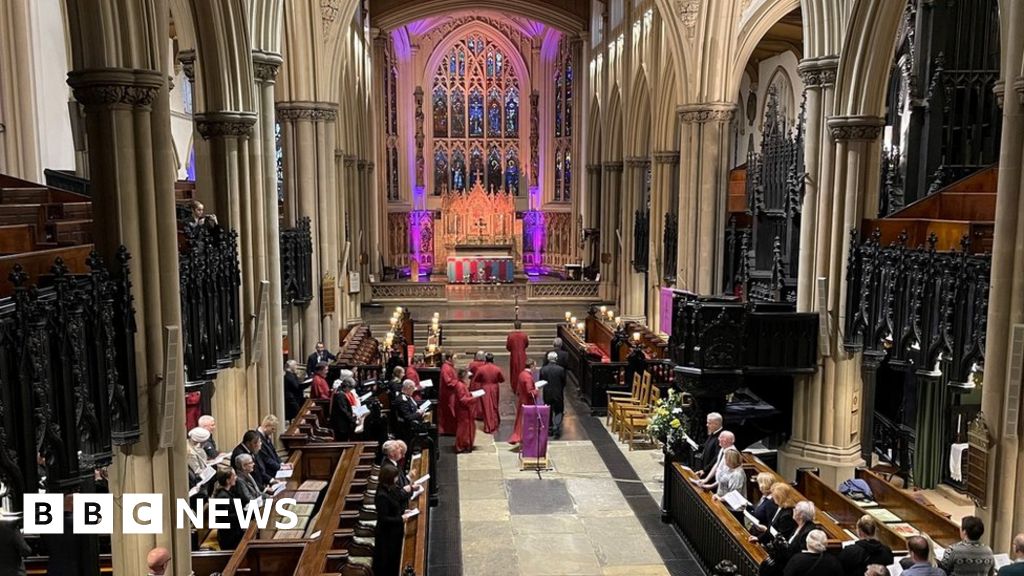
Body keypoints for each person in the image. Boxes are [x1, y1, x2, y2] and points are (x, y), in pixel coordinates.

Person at [373, 464, 414, 576]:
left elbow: (396, 504)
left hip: (395, 530)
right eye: (395, 477)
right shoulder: (382, 495)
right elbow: (384, 518)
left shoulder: (391, 487)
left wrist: (402, 512)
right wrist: (400, 519)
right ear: (389, 478)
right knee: (389, 563)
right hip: (387, 535)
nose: (397, 479)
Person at [471, 353, 504, 434]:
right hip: (494, 388)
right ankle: (495, 424)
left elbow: (476, 379)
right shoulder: (497, 369)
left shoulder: (481, 369)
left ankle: (488, 426)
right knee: (494, 406)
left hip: (485, 387)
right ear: (493, 359)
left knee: (486, 407)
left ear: (486, 359)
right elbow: (502, 379)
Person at [212, 469, 245, 550]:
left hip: (233, 533)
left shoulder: (227, 493)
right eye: (234, 476)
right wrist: (245, 513)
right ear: (227, 480)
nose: (236, 478)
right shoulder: (222, 497)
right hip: (229, 538)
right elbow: (227, 518)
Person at [508, 359, 538, 445]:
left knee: (521, 418)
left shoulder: (522, 374)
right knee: (526, 420)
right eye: (534, 366)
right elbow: (529, 391)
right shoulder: (528, 377)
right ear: (531, 366)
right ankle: (523, 436)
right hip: (527, 401)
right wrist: (536, 390)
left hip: (522, 400)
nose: (535, 368)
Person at [540, 351, 567, 438]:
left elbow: (542, 381)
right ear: (556, 359)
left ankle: (550, 428)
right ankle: (557, 427)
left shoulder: (543, 369)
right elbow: (564, 382)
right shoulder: (561, 369)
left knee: (548, 410)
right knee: (558, 411)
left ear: (548, 359)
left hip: (547, 393)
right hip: (558, 393)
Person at [393, 380, 425, 445]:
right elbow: (407, 417)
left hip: (412, 425)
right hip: (407, 430)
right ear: (408, 387)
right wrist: (419, 413)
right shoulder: (402, 400)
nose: (414, 390)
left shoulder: (408, 397)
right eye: (413, 388)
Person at [454, 368, 478, 453]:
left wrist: (471, 394)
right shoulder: (460, 385)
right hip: (463, 411)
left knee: (466, 428)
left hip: (465, 410)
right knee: (463, 429)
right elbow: (462, 399)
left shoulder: (462, 384)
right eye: (467, 376)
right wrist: (473, 399)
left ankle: (465, 444)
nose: (468, 378)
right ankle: (460, 445)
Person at [256, 415, 282, 479]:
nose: (274, 431)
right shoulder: (257, 438)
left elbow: (274, 452)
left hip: (273, 470)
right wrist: (279, 467)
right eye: (272, 429)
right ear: (266, 426)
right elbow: (265, 458)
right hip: (267, 473)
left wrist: (282, 464)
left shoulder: (266, 436)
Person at [505, 321, 530, 386]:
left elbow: (508, 346)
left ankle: (515, 385)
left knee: (514, 370)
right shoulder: (524, 335)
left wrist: (512, 350)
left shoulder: (511, 336)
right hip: (522, 354)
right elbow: (526, 344)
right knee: (522, 368)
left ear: (514, 326)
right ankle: (523, 384)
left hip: (514, 354)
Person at [701, 412, 725, 476]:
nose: (707, 425)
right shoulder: (712, 433)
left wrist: (705, 470)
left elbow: (717, 458)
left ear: (716, 424)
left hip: (711, 474)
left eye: (709, 423)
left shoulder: (720, 437)